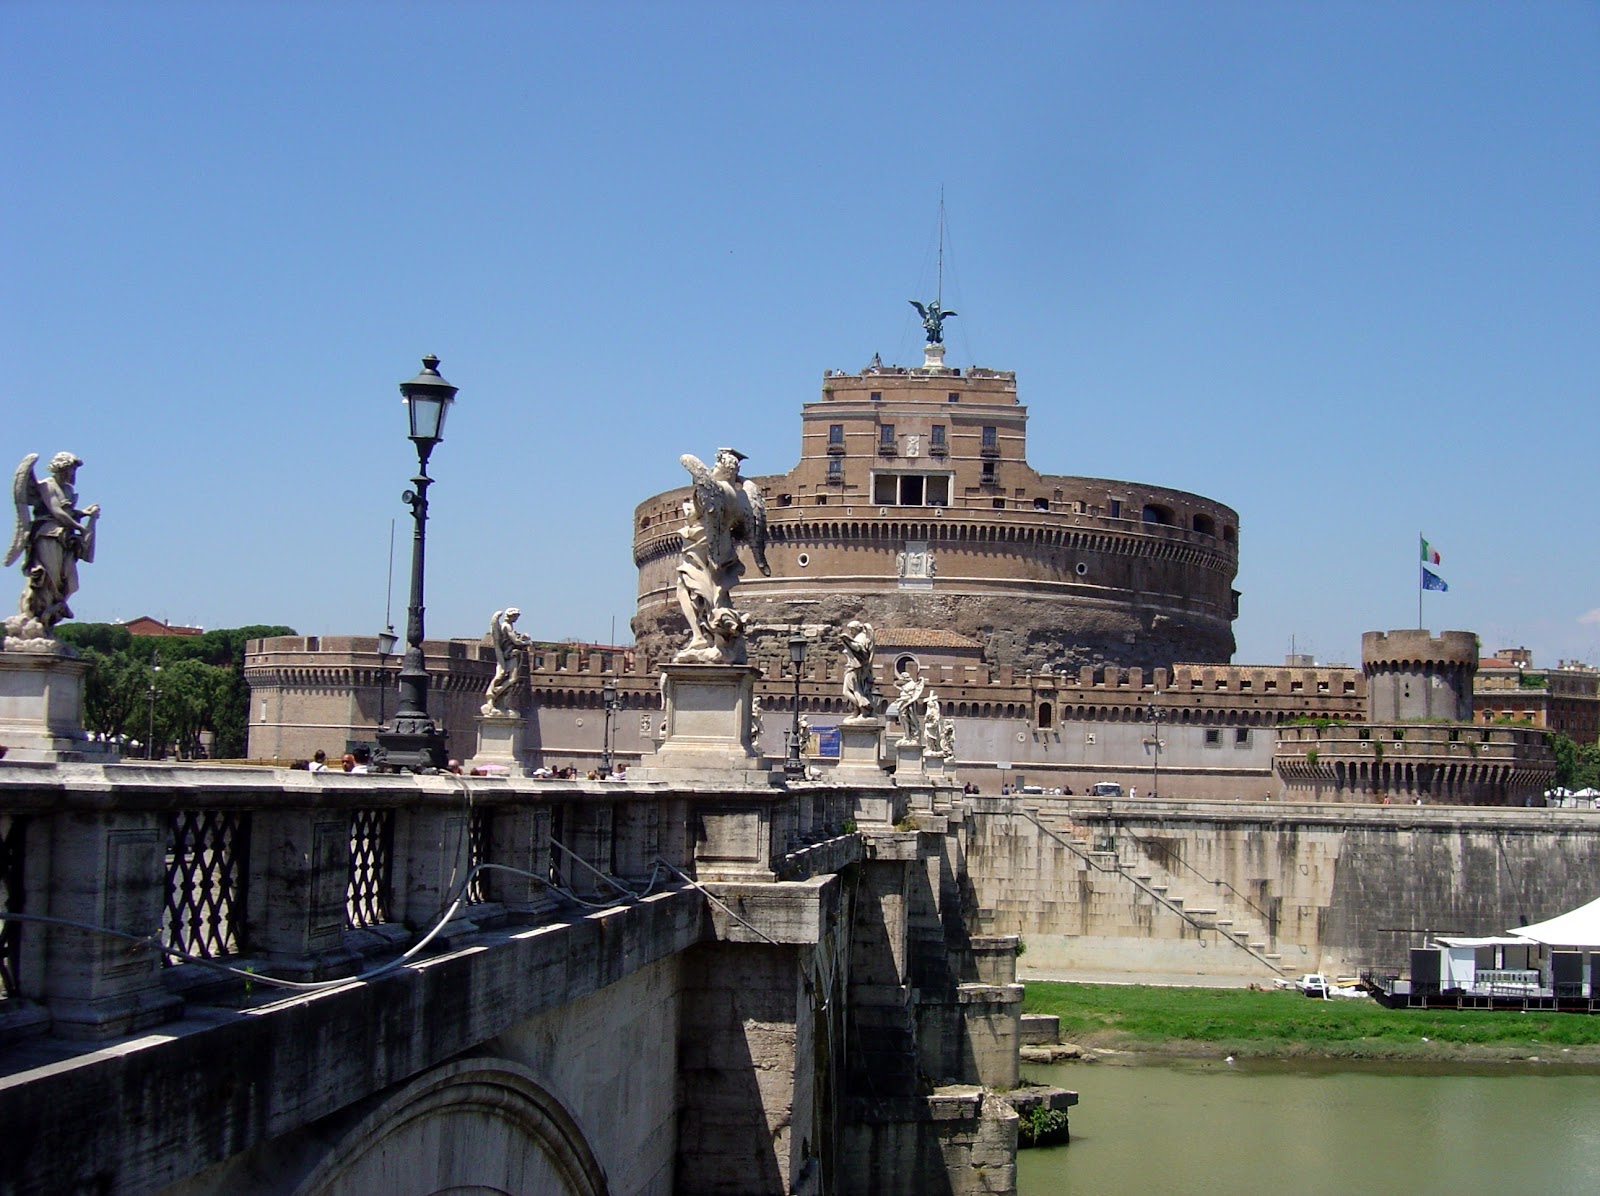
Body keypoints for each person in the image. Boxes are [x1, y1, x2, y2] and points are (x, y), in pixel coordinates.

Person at [673, 448, 769, 663]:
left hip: (703, 546)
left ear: (724, 469)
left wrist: (699, 480)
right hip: (724, 551)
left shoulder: (717, 490)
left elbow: (700, 509)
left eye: (716, 466)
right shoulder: (745, 495)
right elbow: (747, 527)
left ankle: (699, 636)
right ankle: (719, 640)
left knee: (685, 588)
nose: (713, 468)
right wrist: (739, 478)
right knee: (718, 596)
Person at [6, 451, 100, 632]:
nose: (72, 475)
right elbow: (56, 512)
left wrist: (84, 514)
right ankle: (36, 619)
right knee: (47, 580)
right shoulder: (46, 486)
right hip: (47, 536)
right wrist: (80, 528)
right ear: (61, 469)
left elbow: (68, 513)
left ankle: (53, 610)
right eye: (70, 470)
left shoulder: (68, 490)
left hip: (65, 539)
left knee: (71, 584)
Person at [482, 608, 532, 715]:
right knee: (503, 675)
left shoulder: (510, 626)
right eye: (515, 616)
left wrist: (522, 639)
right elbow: (515, 641)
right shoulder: (506, 626)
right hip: (508, 656)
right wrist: (527, 642)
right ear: (510, 616)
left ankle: (500, 698)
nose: (517, 618)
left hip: (512, 655)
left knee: (513, 679)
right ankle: (495, 692)